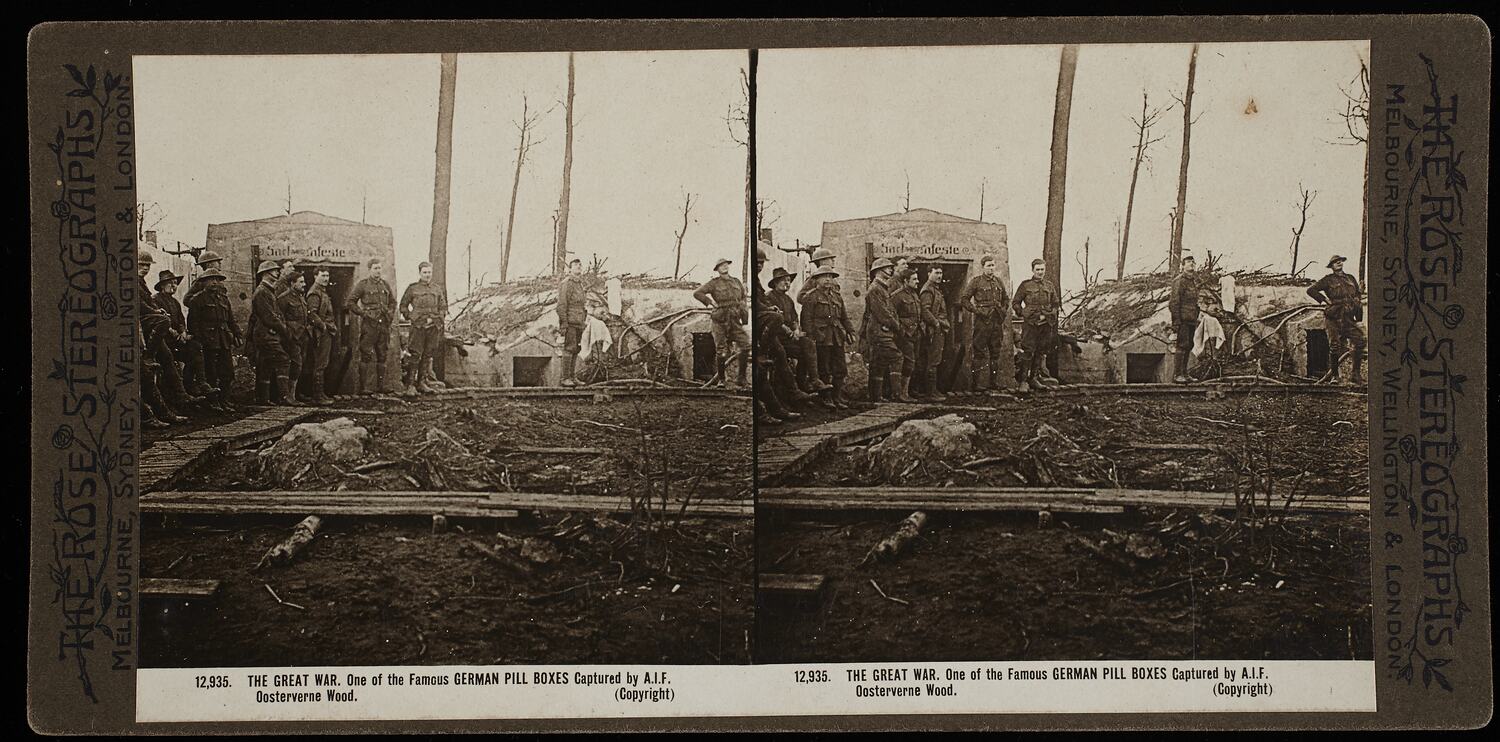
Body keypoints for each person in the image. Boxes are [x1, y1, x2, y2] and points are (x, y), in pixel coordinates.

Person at [765, 267, 830, 398]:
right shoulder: (769, 297)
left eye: (788, 280)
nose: (787, 283)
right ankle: (797, 387)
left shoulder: (788, 299)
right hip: (775, 337)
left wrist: (795, 329)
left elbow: (794, 318)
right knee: (801, 352)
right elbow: (771, 319)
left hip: (789, 337)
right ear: (775, 283)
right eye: (783, 281)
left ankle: (810, 381)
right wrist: (789, 332)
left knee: (808, 344)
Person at [184, 267, 241, 411]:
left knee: (227, 372)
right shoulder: (197, 300)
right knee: (211, 372)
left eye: (217, 279)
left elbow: (231, 320)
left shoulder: (224, 299)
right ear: (203, 282)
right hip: (208, 340)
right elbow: (193, 323)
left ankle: (224, 400)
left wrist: (237, 334)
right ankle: (213, 402)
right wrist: (199, 340)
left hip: (223, 339)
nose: (214, 282)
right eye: (211, 279)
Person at [153, 269, 216, 400]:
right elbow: (157, 319)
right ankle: (177, 392)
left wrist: (182, 332)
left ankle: (198, 383)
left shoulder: (175, 302)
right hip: (163, 340)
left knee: (195, 347)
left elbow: (181, 320)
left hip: (176, 340)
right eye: (170, 283)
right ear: (162, 285)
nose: (173, 286)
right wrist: (173, 332)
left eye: (175, 283)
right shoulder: (155, 300)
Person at [800, 264, 856, 410]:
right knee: (824, 369)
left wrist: (850, 331)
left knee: (841, 368)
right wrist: (812, 337)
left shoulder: (837, 296)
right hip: (821, 337)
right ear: (816, 280)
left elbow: (844, 317)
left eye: (830, 277)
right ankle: (826, 398)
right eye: (824, 277)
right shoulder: (811, 297)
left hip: (837, 335)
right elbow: (806, 320)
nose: (828, 279)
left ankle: (837, 396)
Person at [1307, 254, 1366, 385]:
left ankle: (1355, 375)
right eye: (1335, 262)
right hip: (1333, 316)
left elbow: (1357, 297)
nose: (1339, 263)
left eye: (1340, 261)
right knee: (1334, 346)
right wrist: (1324, 299)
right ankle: (1334, 376)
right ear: (1331, 266)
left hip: (1348, 317)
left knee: (1360, 340)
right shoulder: (1328, 280)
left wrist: (1359, 318)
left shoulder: (1350, 278)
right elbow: (1311, 290)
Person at [694, 258, 751, 390]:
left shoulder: (736, 282)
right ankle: (721, 379)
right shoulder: (714, 283)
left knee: (746, 345)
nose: (724, 267)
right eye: (721, 266)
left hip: (735, 319)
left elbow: (743, 298)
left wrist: (744, 316)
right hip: (720, 319)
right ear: (717, 269)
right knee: (721, 350)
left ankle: (741, 378)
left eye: (726, 265)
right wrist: (710, 302)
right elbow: (698, 293)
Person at [960, 255, 1009, 395]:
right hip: (982, 322)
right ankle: (976, 384)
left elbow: (1006, 298)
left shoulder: (999, 282)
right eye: (988, 265)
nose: (991, 268)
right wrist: (976, 311)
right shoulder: (976, 282)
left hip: (996, 321)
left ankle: (993, 383)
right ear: (983, 267)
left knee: (995, 353)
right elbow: (964, 299)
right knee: (979, 352)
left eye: (993, 265)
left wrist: (1004, 310)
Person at [346, 257, 396, 396]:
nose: (378, 271)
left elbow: (393, 302)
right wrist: (364, 314)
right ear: (369, 270)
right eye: (375, 268)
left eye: (379, 268)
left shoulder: (385, 285)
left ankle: (380, 386)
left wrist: (390, 313)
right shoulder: (363, 285)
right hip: (369, 325)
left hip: (384, 324)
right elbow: (351, 302)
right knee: (366, 354)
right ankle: (364, 388)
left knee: (382, 355)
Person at [248, 260, 296, 405]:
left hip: (267, 334)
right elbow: (270, 317)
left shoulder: (267, 291)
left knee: (266, 364)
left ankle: (263, 398)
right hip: (266, 334)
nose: (277, 272)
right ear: (266, 274)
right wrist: (284, 330)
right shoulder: (262, 292)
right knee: (283, 360)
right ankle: (285, 397)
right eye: (274, 271)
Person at [1011, 258, 1059, 393]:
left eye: (1042, 269)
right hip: (1031, 323)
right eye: (1037, 269)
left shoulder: (1049, 286)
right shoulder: (1026, 285)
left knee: (1040, 350)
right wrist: (1023, 313)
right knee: (1028, 350)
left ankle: (1034, 378)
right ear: (1032, 270)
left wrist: (1050, 314)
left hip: (1045, 323)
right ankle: (1023, 381)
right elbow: (1016, 302)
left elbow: (1055, 303)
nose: (1040, 272)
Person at [399, 261, 447, 396]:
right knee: (415, 354)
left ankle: (422, 383)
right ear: (420, 273)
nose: (427, 275)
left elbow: (443, 307)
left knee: (427, 354)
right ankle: (410, 385)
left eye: (429, 272)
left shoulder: (437, 289)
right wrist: (411, 317)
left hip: (433, 326)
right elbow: (403, 305)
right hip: (418, 326)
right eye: (425, 272)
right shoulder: (413, 288)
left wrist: (438, 319)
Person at [860, 257, 902, 402]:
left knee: (879, 362)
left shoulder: (882, 288)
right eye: (888, 267)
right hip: (879, 331)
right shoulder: (875, 289)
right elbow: (882, 313)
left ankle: (876, 397)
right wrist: (896, 325)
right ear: (878, 270)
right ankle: (897, 395)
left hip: (882, 330)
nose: (891, 269)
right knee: (896, 357)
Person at [278, 270, 317, 405]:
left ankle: (294, 395)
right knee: (295, 364)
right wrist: (288, 333)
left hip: (303, 336)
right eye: (300, 282)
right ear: (292, 283)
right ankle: (288, 397)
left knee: (301, 365)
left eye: (303, 281)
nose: (304, 284)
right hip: (291, 337)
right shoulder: (283, 298)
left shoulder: (301, 297)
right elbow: (280, 319)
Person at [302, 267, 337, 405]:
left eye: (327, 276)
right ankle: (318, 396)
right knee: (320, 363)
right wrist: (322, 327)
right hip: (320, 332)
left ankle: (320, 393)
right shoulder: (314, 293)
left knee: (323, 362)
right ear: (315, 276)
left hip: (326, 331)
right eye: (322, 275)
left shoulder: (322, 291)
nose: (326, 278)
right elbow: (311, 313)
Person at [918, 265, 950, 400]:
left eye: (941, 273)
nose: (939, 276)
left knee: (936, 360)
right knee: (932, 360)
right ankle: (930, 393)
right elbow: (925, 310)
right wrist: (936, 323)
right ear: (929, 273)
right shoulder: (928, 290)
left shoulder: (936, 289)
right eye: (936, 273)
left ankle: (933, 390)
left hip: (939, 328)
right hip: (933, 330)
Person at [890, 268, 923, 401]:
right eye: (914, 279)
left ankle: (906, 392)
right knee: (907, 362)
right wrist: (901, 330)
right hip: (904, 335)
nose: (917, 281)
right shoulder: (897, 296)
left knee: (912, 362)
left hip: (915, 334)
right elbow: (892, 315)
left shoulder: (914, 295)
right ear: (905, 281)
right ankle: (900, 394)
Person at [1168, 254, 1201, 383]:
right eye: (1188, 262)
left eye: (1193, 262)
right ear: (1183, 266)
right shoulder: (1179, 280)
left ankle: (1185, 374)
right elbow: (1174, 302)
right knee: (1181, 345)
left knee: (1189, 345)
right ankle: (1177, 375)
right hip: (1182, 319)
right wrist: (1176, 321)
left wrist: (1196, 315)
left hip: (1191, 319)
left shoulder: (1192, 281)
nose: (1191, 264)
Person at [556, 258, 588, 387]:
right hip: (570, 322)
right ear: (570, 269)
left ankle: (572, 377)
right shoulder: (567, 283)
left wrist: (583, 320)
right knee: (569, 349)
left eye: (580, 265)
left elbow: (582, 305)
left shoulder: (579, 284)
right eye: (575, 265)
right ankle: (565, 378)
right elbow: (561, 305)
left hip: (579, 322)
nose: (578, 267)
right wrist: (564, 323)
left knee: (576, 349)